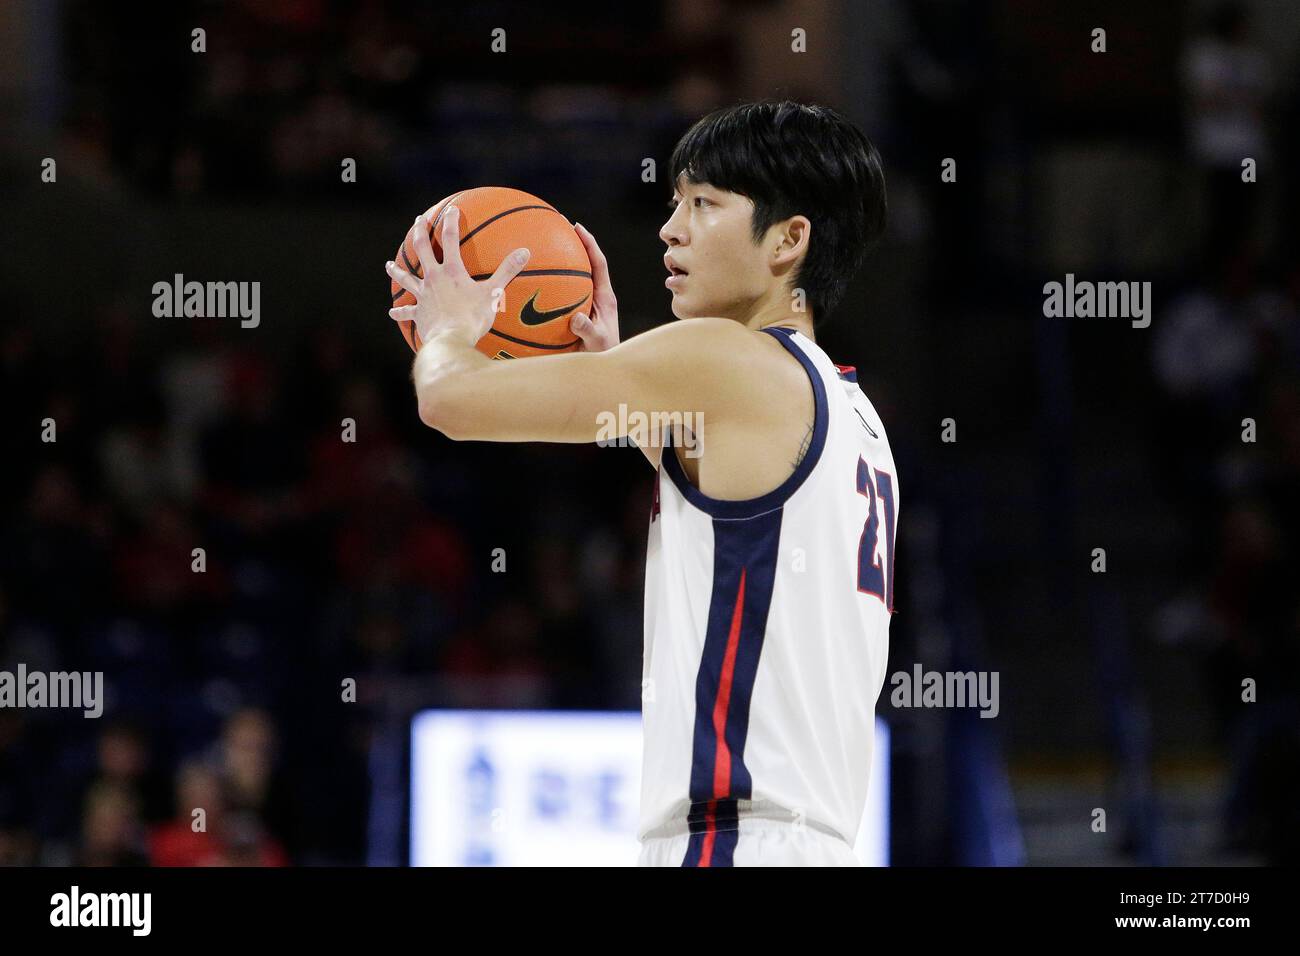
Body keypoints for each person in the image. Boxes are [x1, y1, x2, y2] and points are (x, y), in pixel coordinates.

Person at [386, 101, 896, 866]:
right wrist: (623, 376)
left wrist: (451, 328)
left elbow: (450, 402)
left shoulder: (725, 358)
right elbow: (736, 514)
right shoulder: (853, 410)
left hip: (735, 839)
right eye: (673, 203)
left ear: (790, 240)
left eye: (703, 204)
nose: (670, 229)